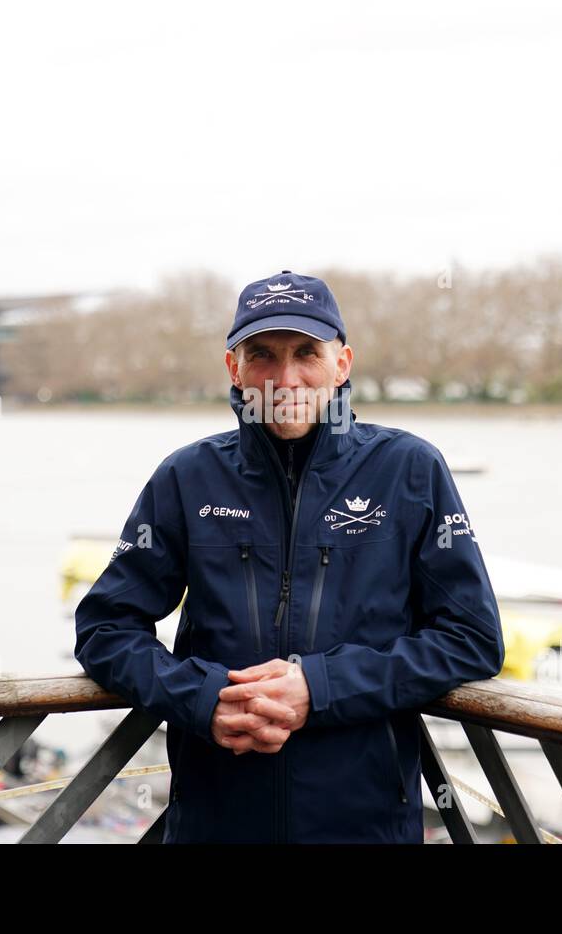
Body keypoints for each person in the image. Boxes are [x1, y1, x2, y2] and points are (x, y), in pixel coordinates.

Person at [73, 270, 506, 843]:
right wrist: (202, 699)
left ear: (342, 363)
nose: (285, 378)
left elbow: (471, 639)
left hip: (364, 827)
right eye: (262, 356)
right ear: (234, 368)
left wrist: (320, 687)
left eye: (307, 353)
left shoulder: (409, 470)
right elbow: (104, 628)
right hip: (215, 822)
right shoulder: (187, 477)